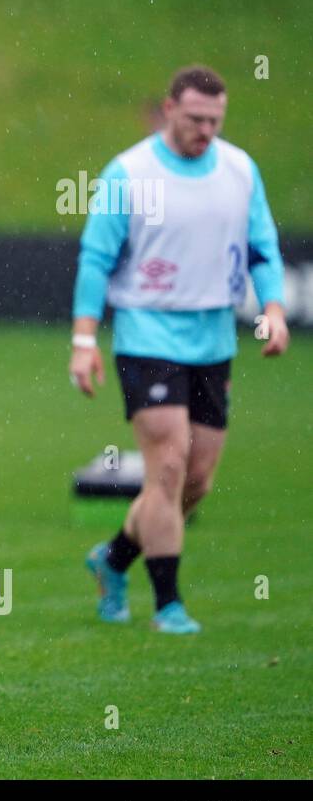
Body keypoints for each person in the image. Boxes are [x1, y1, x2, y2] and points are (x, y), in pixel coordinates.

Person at [71, 65, 289, 634]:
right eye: (195, 118)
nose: (205, 130)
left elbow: (263, 249)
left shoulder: (240, 170)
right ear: (169, 108)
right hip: (147, 334)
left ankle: (114, 557)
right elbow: (96, 259)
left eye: (215, 120)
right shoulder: (130, 172)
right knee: (166, 465)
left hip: (213, 339)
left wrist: (272, 311)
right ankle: (168, 604)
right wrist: (84, 339)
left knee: (195, 481)